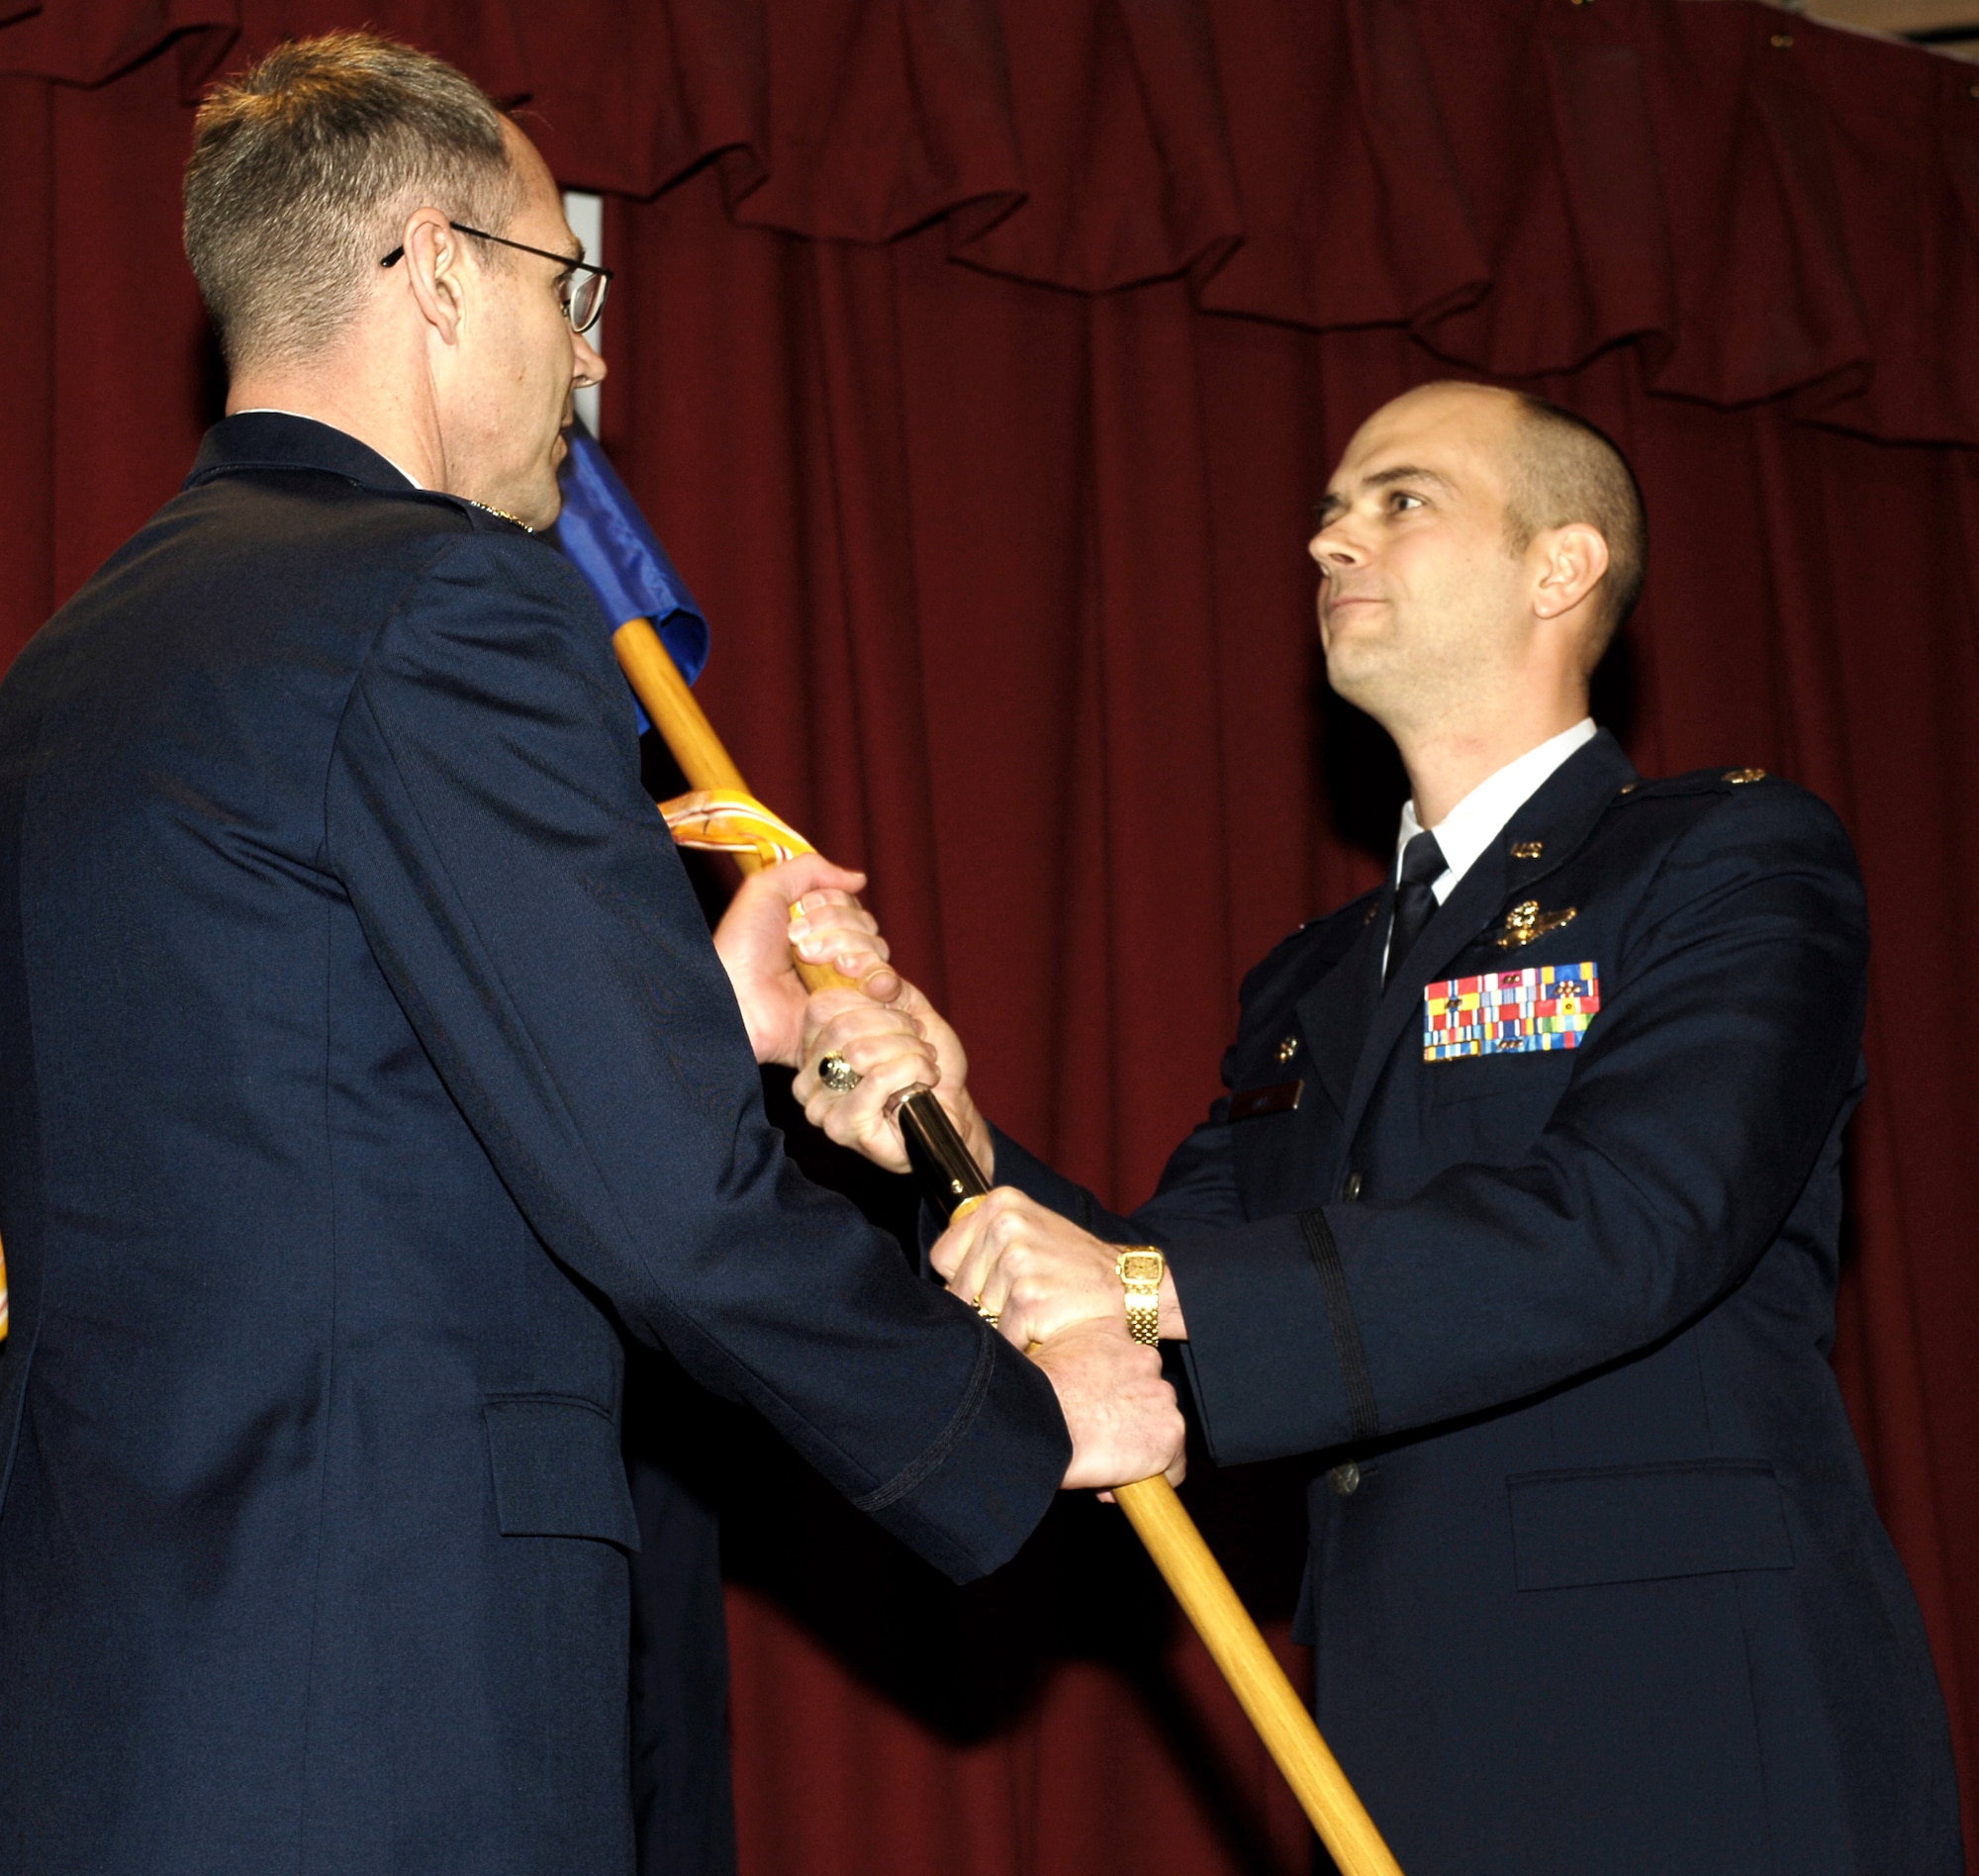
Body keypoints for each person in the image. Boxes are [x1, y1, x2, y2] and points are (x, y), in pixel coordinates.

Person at [0, 34, 1184, 1876]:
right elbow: (671, 1210)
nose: (597, 358)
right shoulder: (440, 599)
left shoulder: (72, 666)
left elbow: (297, 1104)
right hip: (385, 1699)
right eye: (575, 289)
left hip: (128, 1707)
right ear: (442, 271)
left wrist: (694, 1012)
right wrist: (1017, 1417)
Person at [805, 381, 1962, 1873]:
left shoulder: (1728, 858)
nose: (1328, 539)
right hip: (1399, 1734)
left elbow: (1633, 1223)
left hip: (1691, 1723)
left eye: (1399, 500)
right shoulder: (1318, 978)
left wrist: (1145, 1286)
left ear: (1561, 566)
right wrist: (946, 1134)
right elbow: (1164, 1288)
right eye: (1330, 509)